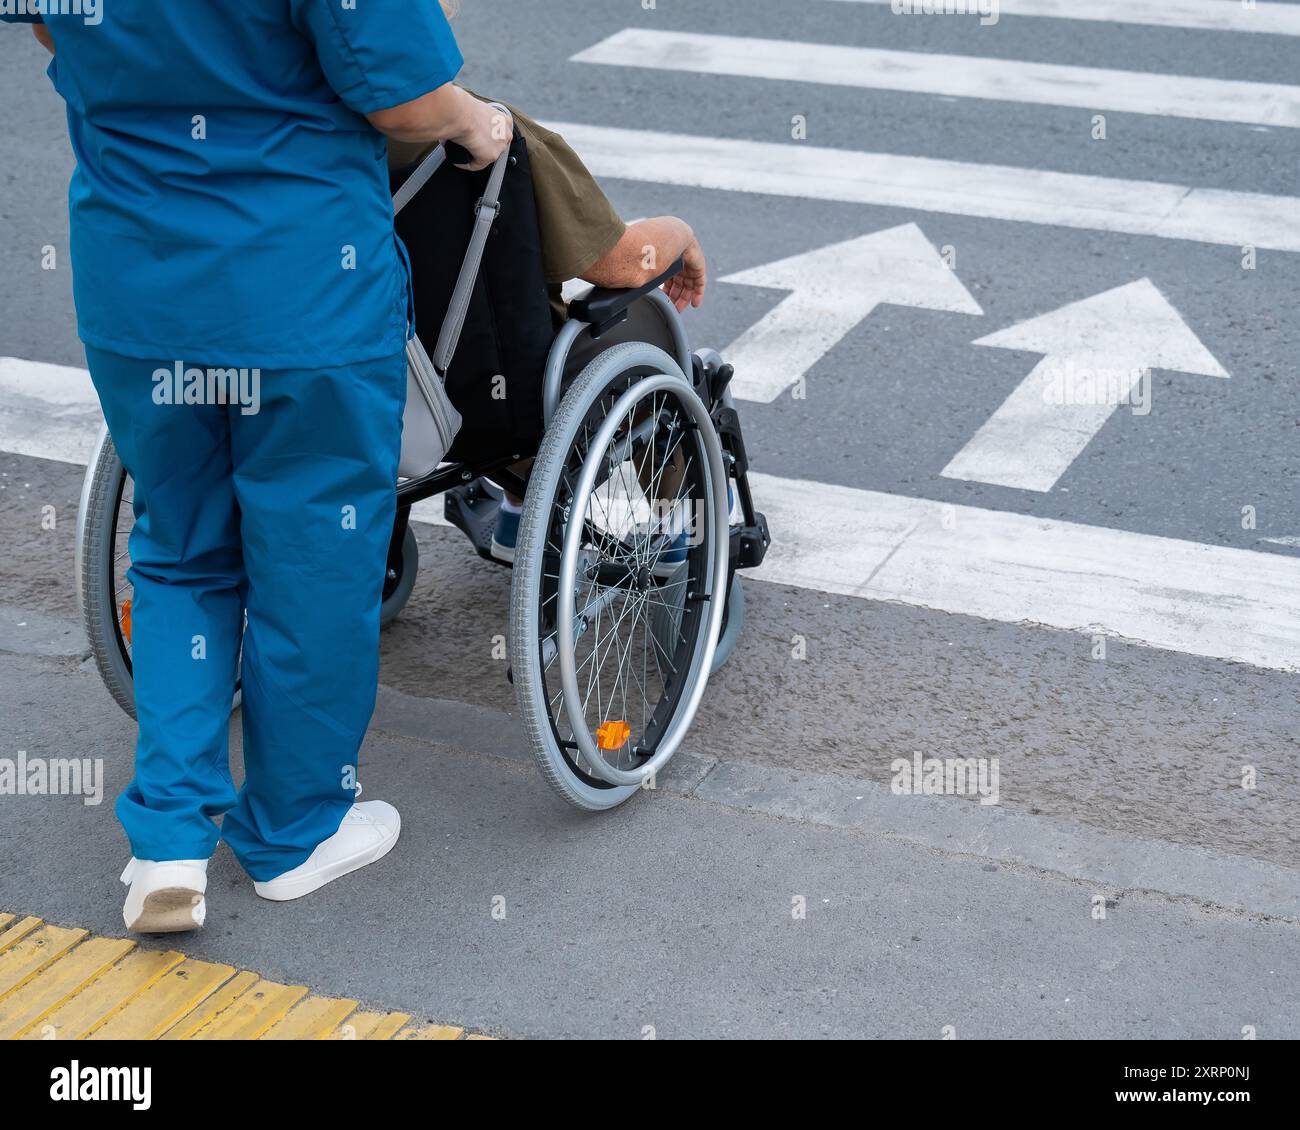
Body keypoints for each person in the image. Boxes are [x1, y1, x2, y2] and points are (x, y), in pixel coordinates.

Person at [3, 1, 511, 932]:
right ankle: (294, 834)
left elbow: (49, 29)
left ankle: (167, 841)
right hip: (298, 291)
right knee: (315, 563)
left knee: (178, 547)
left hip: (141, 284)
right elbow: (404, 100)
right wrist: (478, 120)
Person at [390, 23, 709, 562]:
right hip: (503, 402)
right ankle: (673, 528)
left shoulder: (300, 138)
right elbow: (626, 264)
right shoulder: (485, 130)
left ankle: (519, 507)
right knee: (657, 348)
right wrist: (681, 233)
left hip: (380, 379)